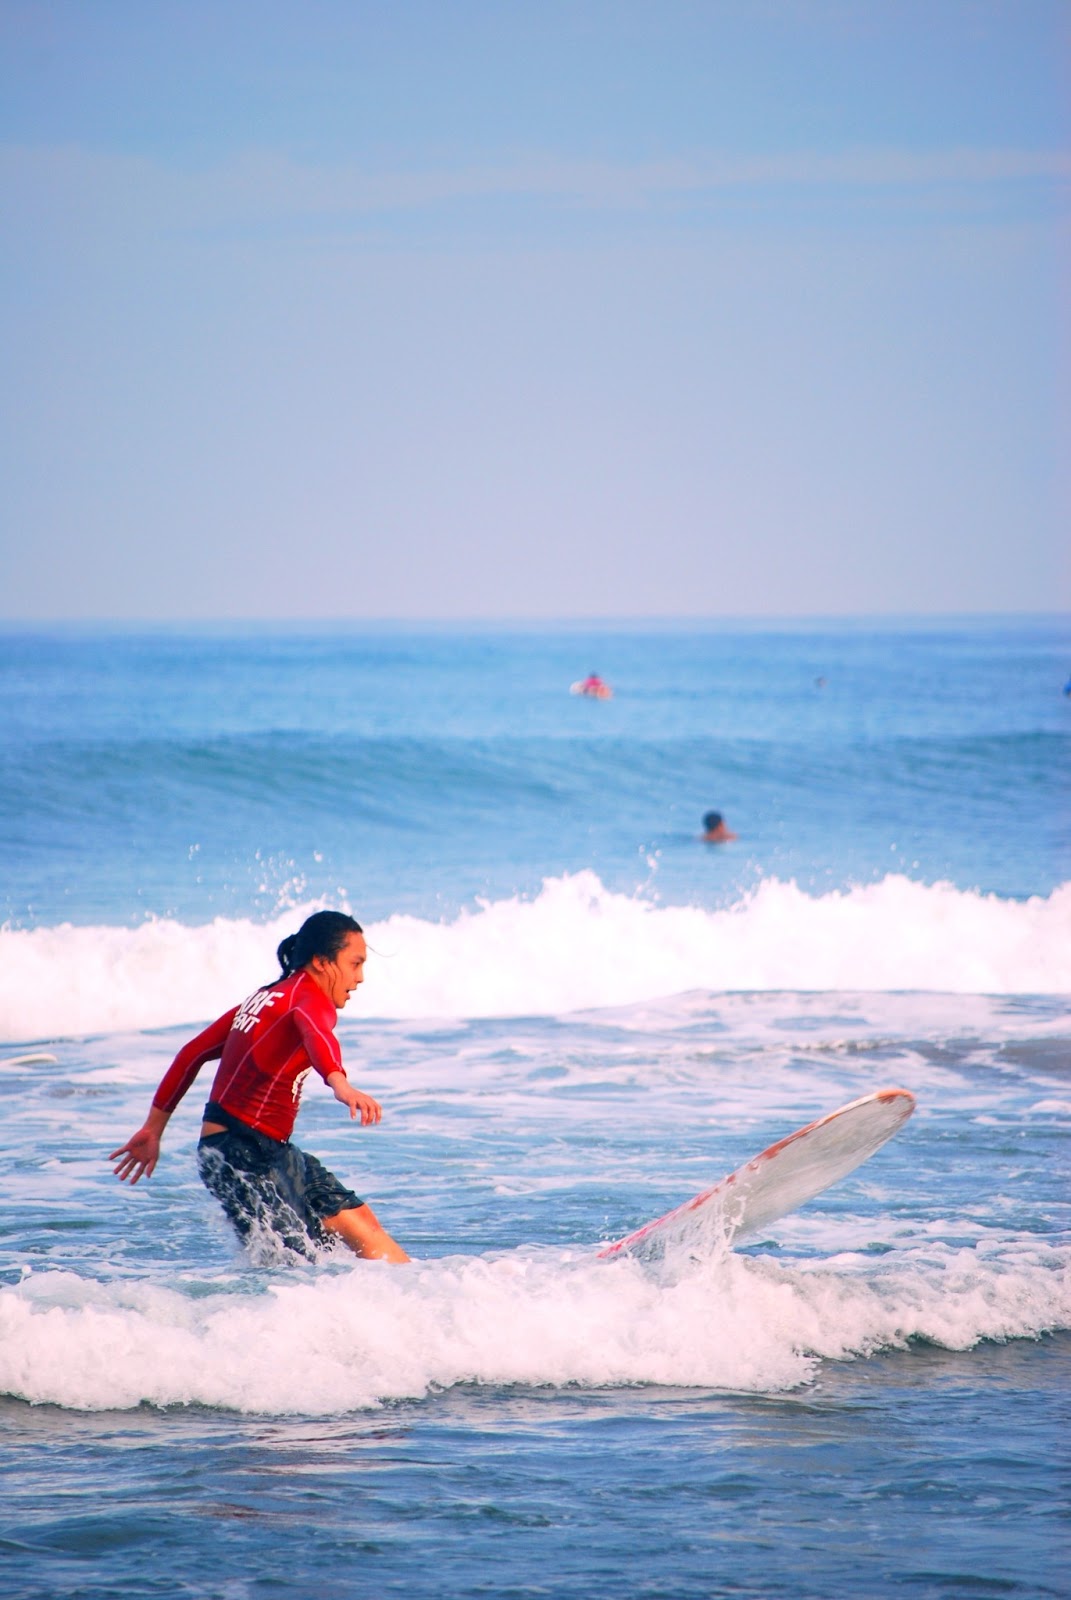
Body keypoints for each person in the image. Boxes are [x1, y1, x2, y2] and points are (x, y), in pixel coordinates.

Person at [110, 910, 409, 1264]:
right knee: (296, 1268)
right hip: (244, 1155)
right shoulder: (308, 999)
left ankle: (419, 1300)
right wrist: (339, 1083)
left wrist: (153, 1129)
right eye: (354, 963)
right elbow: (318, 1033)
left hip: (254, 1150)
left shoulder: (266, 998)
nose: (359, 978)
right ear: (321, 962)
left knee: (359, 1224)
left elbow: (191, 1054)